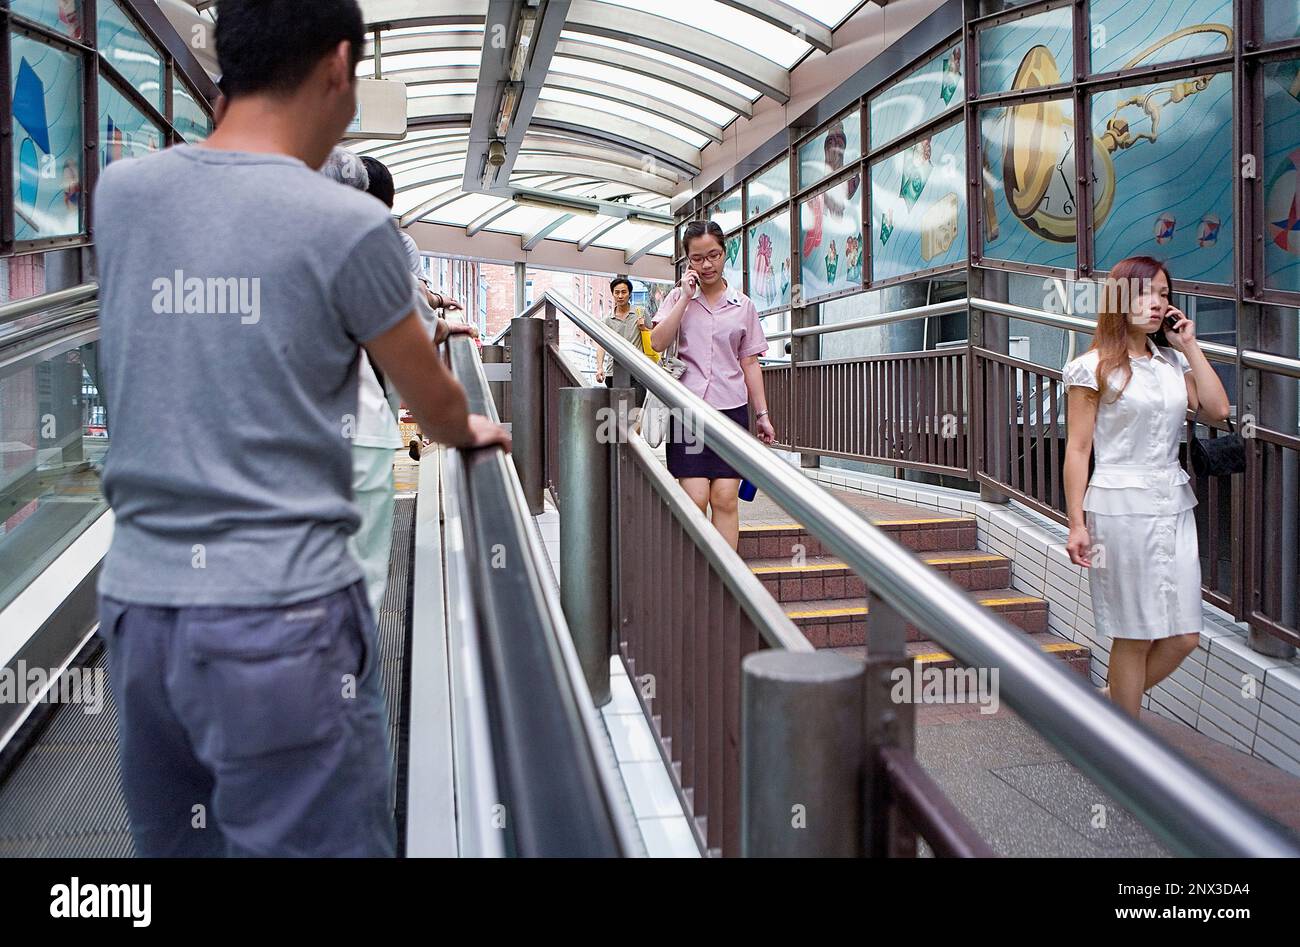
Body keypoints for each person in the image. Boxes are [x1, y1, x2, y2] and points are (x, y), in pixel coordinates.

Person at [93, 0, 510, 858]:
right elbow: (426, 395)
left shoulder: (125, 195)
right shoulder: (350, 226)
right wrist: (466, 427)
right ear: (337, 65)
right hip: (284, 622)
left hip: (141, 613)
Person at [1063, 256, 1230, 720]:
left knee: (1184, 636)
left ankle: (1106, 706)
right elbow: (1077, 449)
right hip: (1118, 508)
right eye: (1145, 293)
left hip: (1173, 503)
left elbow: (1218, 410)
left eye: (1163, 294)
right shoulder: (1090, 367)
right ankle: (1126, 746)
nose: (1157, 304)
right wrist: (1075, 523)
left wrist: (1190, 346)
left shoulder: (1172, 362)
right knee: (1133, 632)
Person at [649, 220, 776, 550]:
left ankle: (725, 581)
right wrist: (684, 299)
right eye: (697, 258)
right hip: (687, 410)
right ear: (687, 261)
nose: (707, 265)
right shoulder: (678, 297)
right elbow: (659, 341)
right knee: (695, 498)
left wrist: (761, 413)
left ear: (725, 252)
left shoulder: (743, 305)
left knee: (725, 498)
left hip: (730, 410)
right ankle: (696, 577)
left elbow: (750, 362)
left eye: (714, 255)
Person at [594, 276, 649, 404]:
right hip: (613, 372)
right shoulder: (607, 320)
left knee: (636, 411)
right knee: (618, 412)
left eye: (623, 292)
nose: (620, 296)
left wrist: (644, 328)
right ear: (612, 294)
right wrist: (599, 367)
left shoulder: (640, 313)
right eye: (616, 292)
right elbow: (601, 345)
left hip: (637, 370)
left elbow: (654, 336)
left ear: (629, 294)